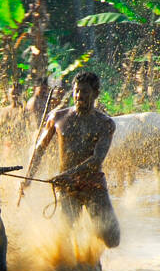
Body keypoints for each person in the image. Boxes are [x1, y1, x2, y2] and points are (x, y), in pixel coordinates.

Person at [19, 71, 120, 249]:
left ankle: (93, 247)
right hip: (66, 187)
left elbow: (96, 160)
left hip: (93, 184)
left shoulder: (105, 123)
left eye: (85, 92)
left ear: (95, 93)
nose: (79, 96)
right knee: (64, 234)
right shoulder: (57, 117)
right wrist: (28, 178)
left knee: (112, 238)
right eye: (77, 91)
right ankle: (68, 267)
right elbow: (39, 149)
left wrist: (66, 174)